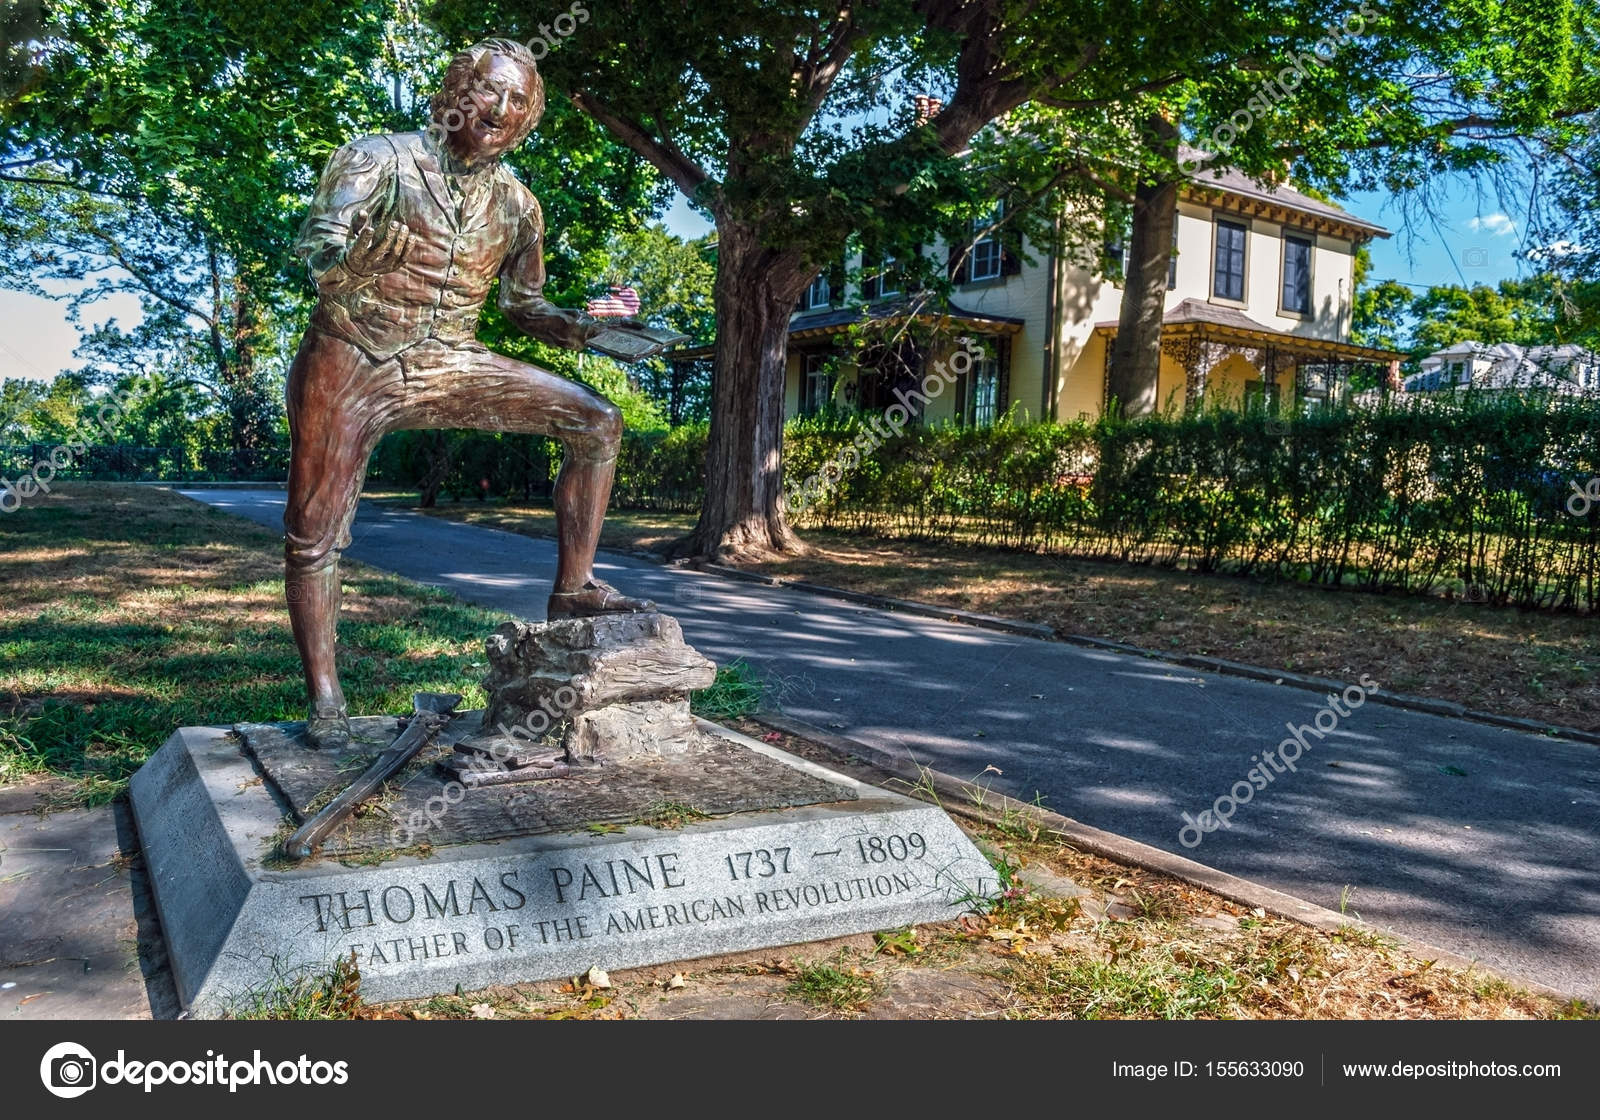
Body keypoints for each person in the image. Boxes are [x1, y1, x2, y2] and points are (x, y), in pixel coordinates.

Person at [285, 37, 651, 749]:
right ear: (453, 92)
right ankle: (326, 696)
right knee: (312, 530)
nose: (500, 109)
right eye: (489, 90)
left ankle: (573, 587)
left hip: (451, 360)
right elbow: (319, 246)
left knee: (597, 422)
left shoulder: (518, 205)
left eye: (517, 102)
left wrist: (589, 331)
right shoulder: (377, 159)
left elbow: (524, 307)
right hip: (354, 355)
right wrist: (349, 263)